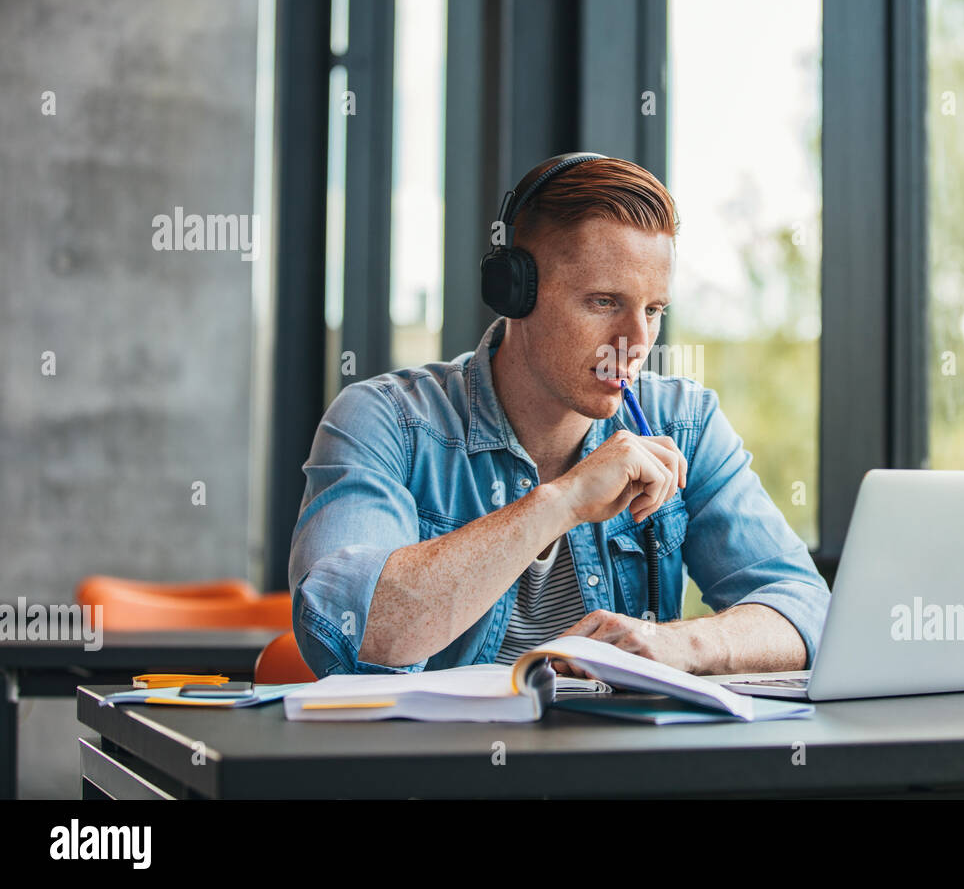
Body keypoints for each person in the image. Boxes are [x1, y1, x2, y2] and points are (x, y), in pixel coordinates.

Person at [287, 153, 830, 678]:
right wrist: (564, 500)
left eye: (653, 310)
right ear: (515, 293)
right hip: (442, 766)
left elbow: (806, 610)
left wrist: (682, 644)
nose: (636, 342)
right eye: (603, 302)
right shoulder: (386, 422)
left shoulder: (683, 422)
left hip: (619, 767)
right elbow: (348, 632)